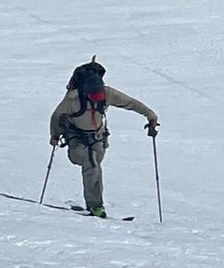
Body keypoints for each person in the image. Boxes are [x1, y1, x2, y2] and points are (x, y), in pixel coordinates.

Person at [49, 59, 157, 217]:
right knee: (91, 163)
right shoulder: (73, 98)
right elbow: (57, 116)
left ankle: (95, 204)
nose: (97, 99)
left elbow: (131, 103)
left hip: (98, 138)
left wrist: (151, 116)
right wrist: (54, 135)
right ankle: (96, 206)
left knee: (95, 165)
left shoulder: (108, 93)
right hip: (76, 138)